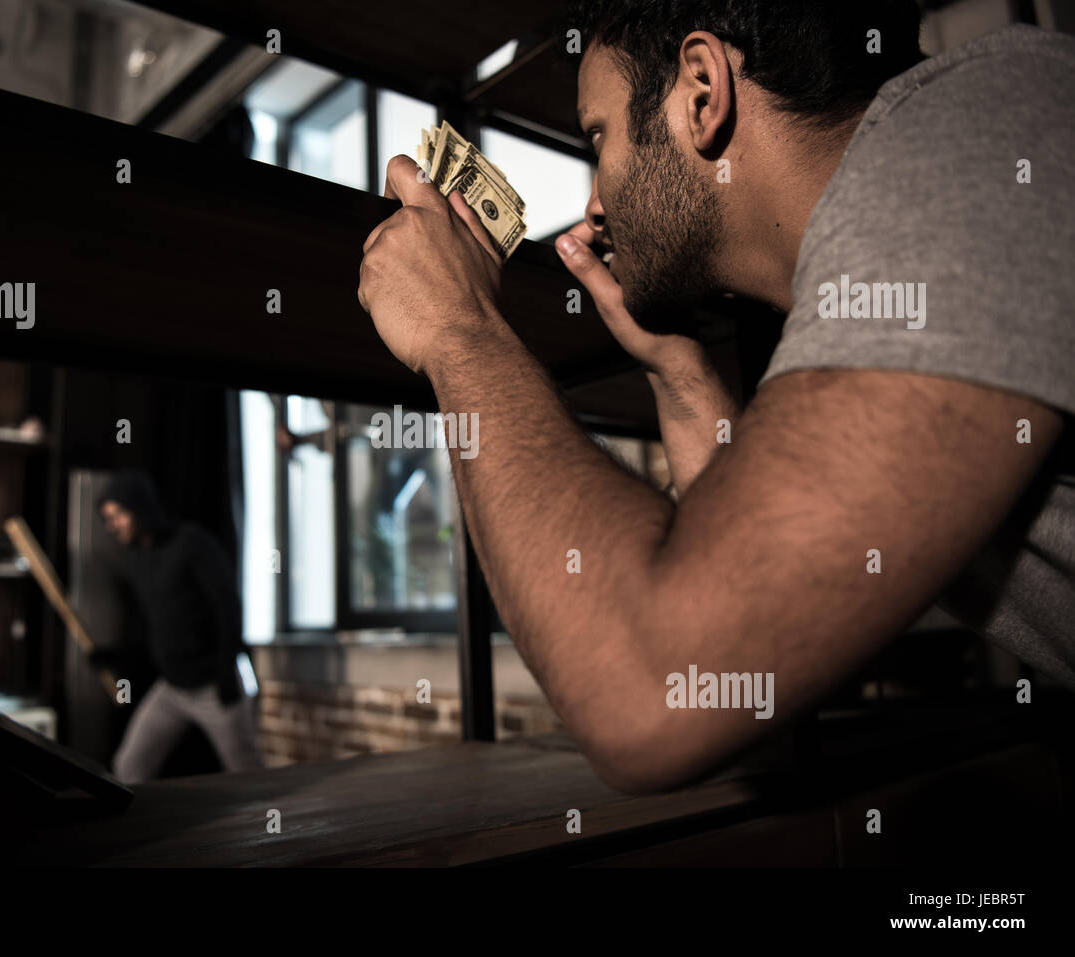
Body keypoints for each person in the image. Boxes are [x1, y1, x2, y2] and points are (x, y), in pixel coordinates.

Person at [356, 1, 1074, 793]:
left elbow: (654, 687)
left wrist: (463, 333)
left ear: (701, 91)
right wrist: (685, 380)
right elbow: (747, 674)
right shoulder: (871, 281)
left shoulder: (971, 135)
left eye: (599, 137)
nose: (595, 206)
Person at [96, 469, 263, 782]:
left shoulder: (192, 545)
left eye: (118, 515)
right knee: (128, 768)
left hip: (216, 687)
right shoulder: (136, 561)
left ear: (139, 509)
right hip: (172, 688)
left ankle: (277, 827)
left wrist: (228, 670)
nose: (112, 525)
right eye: (108, 518)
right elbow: (153, 624)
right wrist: (112, 655)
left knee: (249, 775)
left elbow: (228, 607)